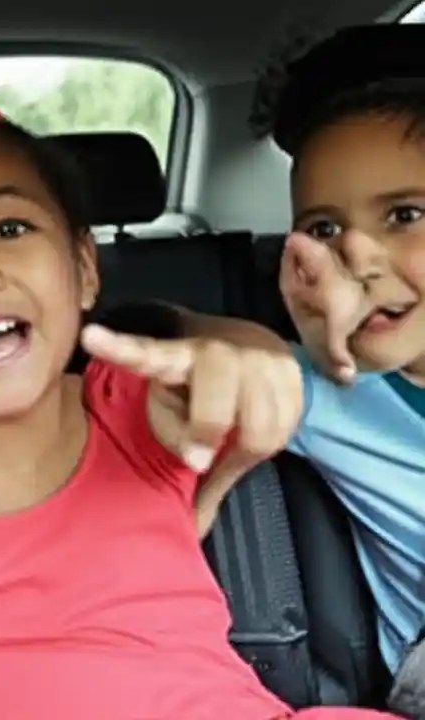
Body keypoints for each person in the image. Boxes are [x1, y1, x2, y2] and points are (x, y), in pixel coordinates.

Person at [0, 98, 397, 719]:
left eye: (9, 229)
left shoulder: (127, 404)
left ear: (84, 269)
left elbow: (205, 381)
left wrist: (243, 357)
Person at [173, 24, 425, 691]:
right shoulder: (316, 389)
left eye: (405, 215)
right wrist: (244, 342)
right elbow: (154, 329)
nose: (356, 256)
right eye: (324, 228)